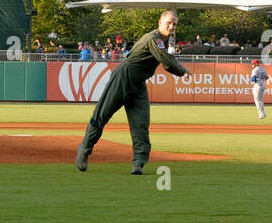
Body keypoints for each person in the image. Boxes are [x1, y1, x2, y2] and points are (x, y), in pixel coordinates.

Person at [76, 10, 188, 175]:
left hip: (138, 83)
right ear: (160, 23)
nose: (171, 27)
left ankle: (139, 163)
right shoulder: (154, 38)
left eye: (174, 24)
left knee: (140, 124)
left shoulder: (162, 41)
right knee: (101, 115)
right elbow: (166, 61)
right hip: (124, 77)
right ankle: (84, 150)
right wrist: (182, 70)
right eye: (168, 23)